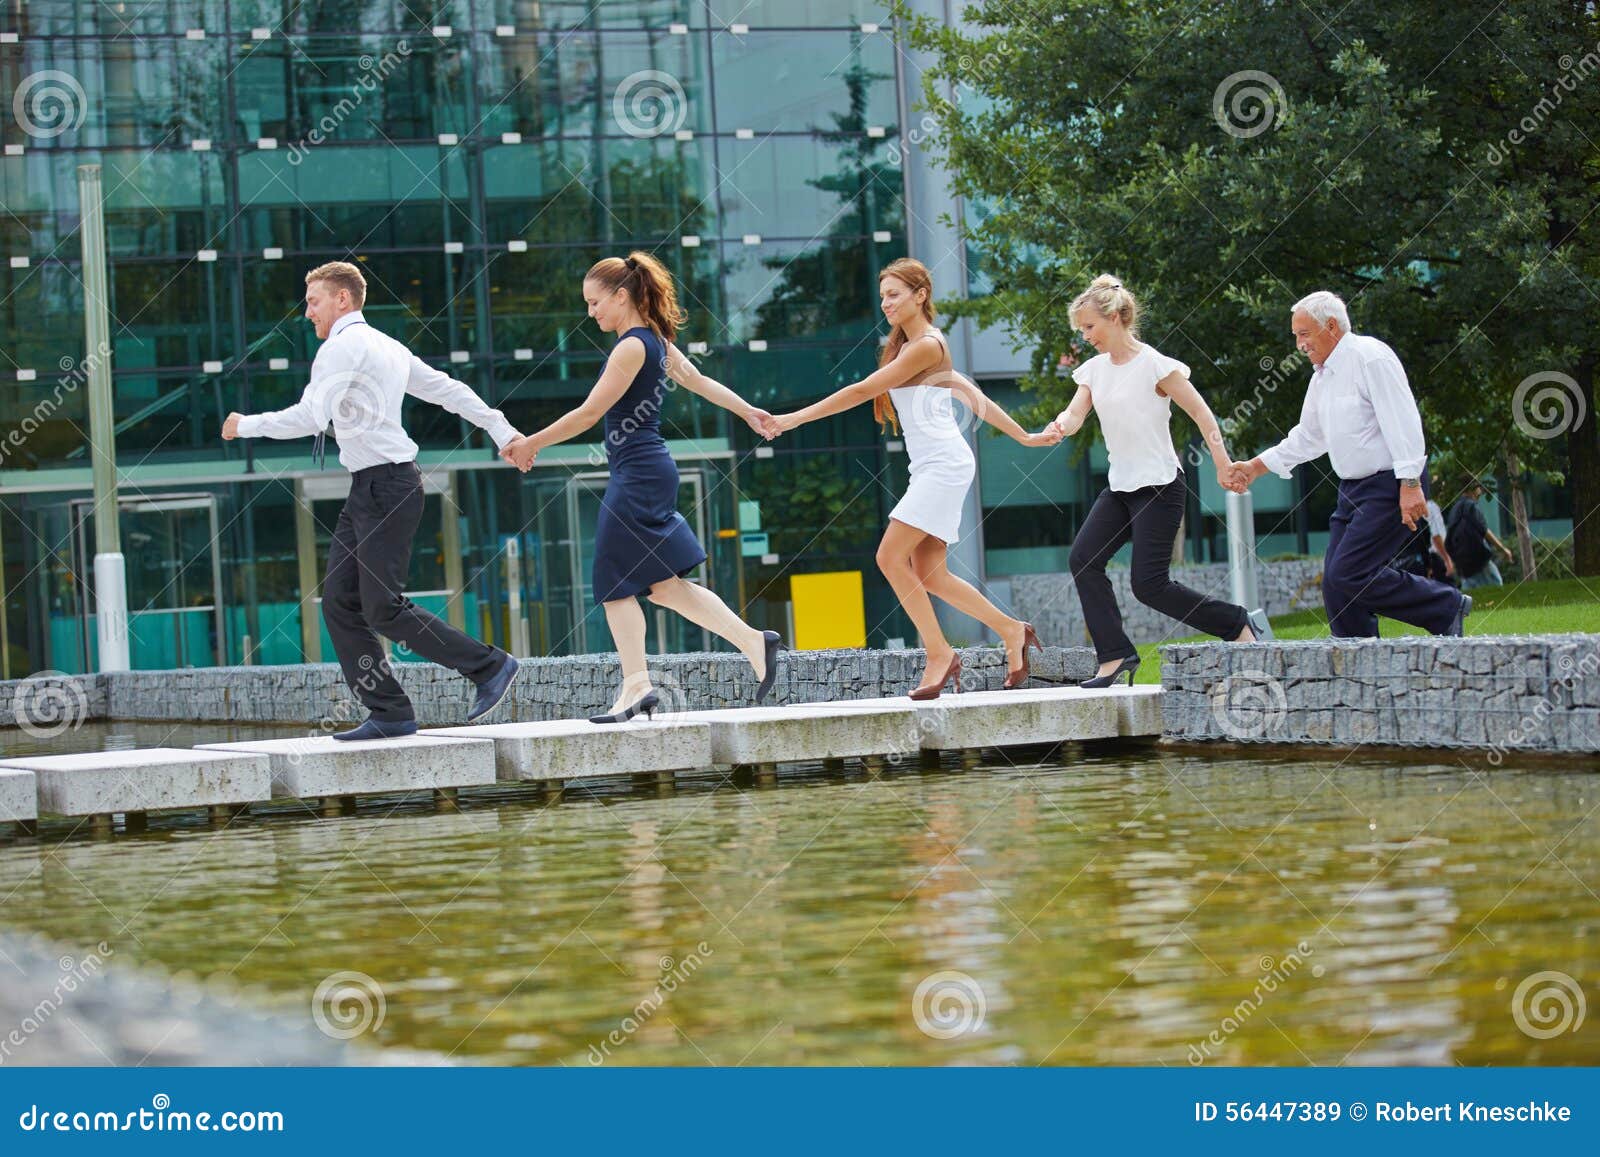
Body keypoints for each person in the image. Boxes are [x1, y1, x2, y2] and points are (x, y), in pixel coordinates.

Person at [223, 261, 522, 740]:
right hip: (372, 487)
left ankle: (489, 667)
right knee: (340, 602)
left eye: (313, 301)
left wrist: (247, 425)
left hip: (388, 487)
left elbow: (310, 416)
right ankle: (390, 713)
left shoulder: (343, 348)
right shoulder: (387, 346)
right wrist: (502, 428)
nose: (307, 313)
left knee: (382, 607)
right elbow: (451, 391)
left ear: (342, 300)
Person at [502, 252, 780, 723]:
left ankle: (636, 686)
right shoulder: (657, 342)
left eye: (595, 303)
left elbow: (590, 413)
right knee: (665, 587)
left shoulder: (631, 346)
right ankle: (754, 642)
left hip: (638, 474)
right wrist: (748, 411)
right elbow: (700, 382)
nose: (591, 313)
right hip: (648, 470)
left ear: (621, 295)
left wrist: (532, 443)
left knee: (612, 582)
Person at [765, 257, 1055, 699]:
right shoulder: (913, 347)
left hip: (942, 464)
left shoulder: (927, 345)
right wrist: (1023, 435)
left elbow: (863, 390)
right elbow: (971, 394)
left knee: (888, 557)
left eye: (894, 294)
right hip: (931, 466)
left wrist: (793, 419)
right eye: (882, 296)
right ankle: (1012, 630)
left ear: (921, 295)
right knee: (931, 575)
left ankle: (938, 652)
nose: (886, 303)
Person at [1044, 275, 1265, 688]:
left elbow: (1202, 414)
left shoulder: (1155, 365)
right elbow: (1075, 415)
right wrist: (1059, 427)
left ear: (1113, 317)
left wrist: (1220, 464)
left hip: (1160, 487)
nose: (1085, 336)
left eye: (1089, 327)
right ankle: (1115, 655)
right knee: (1083, 559)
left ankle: (1235, 622)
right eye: (1081, 329)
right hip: (1120, 488)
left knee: (1149, 585)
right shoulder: (1092, 371)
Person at [1230, 290, 1471, 637]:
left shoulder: (1370, 357)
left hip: (1391, 483)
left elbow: (1402, 420)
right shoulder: (1321, 377)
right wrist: (1255, 466)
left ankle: (1445, 607)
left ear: (1331, 326)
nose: (1299, 345)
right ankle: (1356, 657)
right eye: (1296, 336)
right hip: (1353, 489)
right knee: (1336, 583)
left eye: (1303, 334)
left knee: (1348, 574)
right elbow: (1308, 438)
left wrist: (1411, 483)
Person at [1446, 477, 1514, 589]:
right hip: (1478, 557)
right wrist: (1503, 549)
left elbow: (1449, 539)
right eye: (1478, 487)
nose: (1481, 491)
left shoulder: (1455, 508)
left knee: (1469, 590)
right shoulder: (1472, 506)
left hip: (1462, 560)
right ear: (1472, 489)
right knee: (1496, 584)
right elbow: (1485, 530)